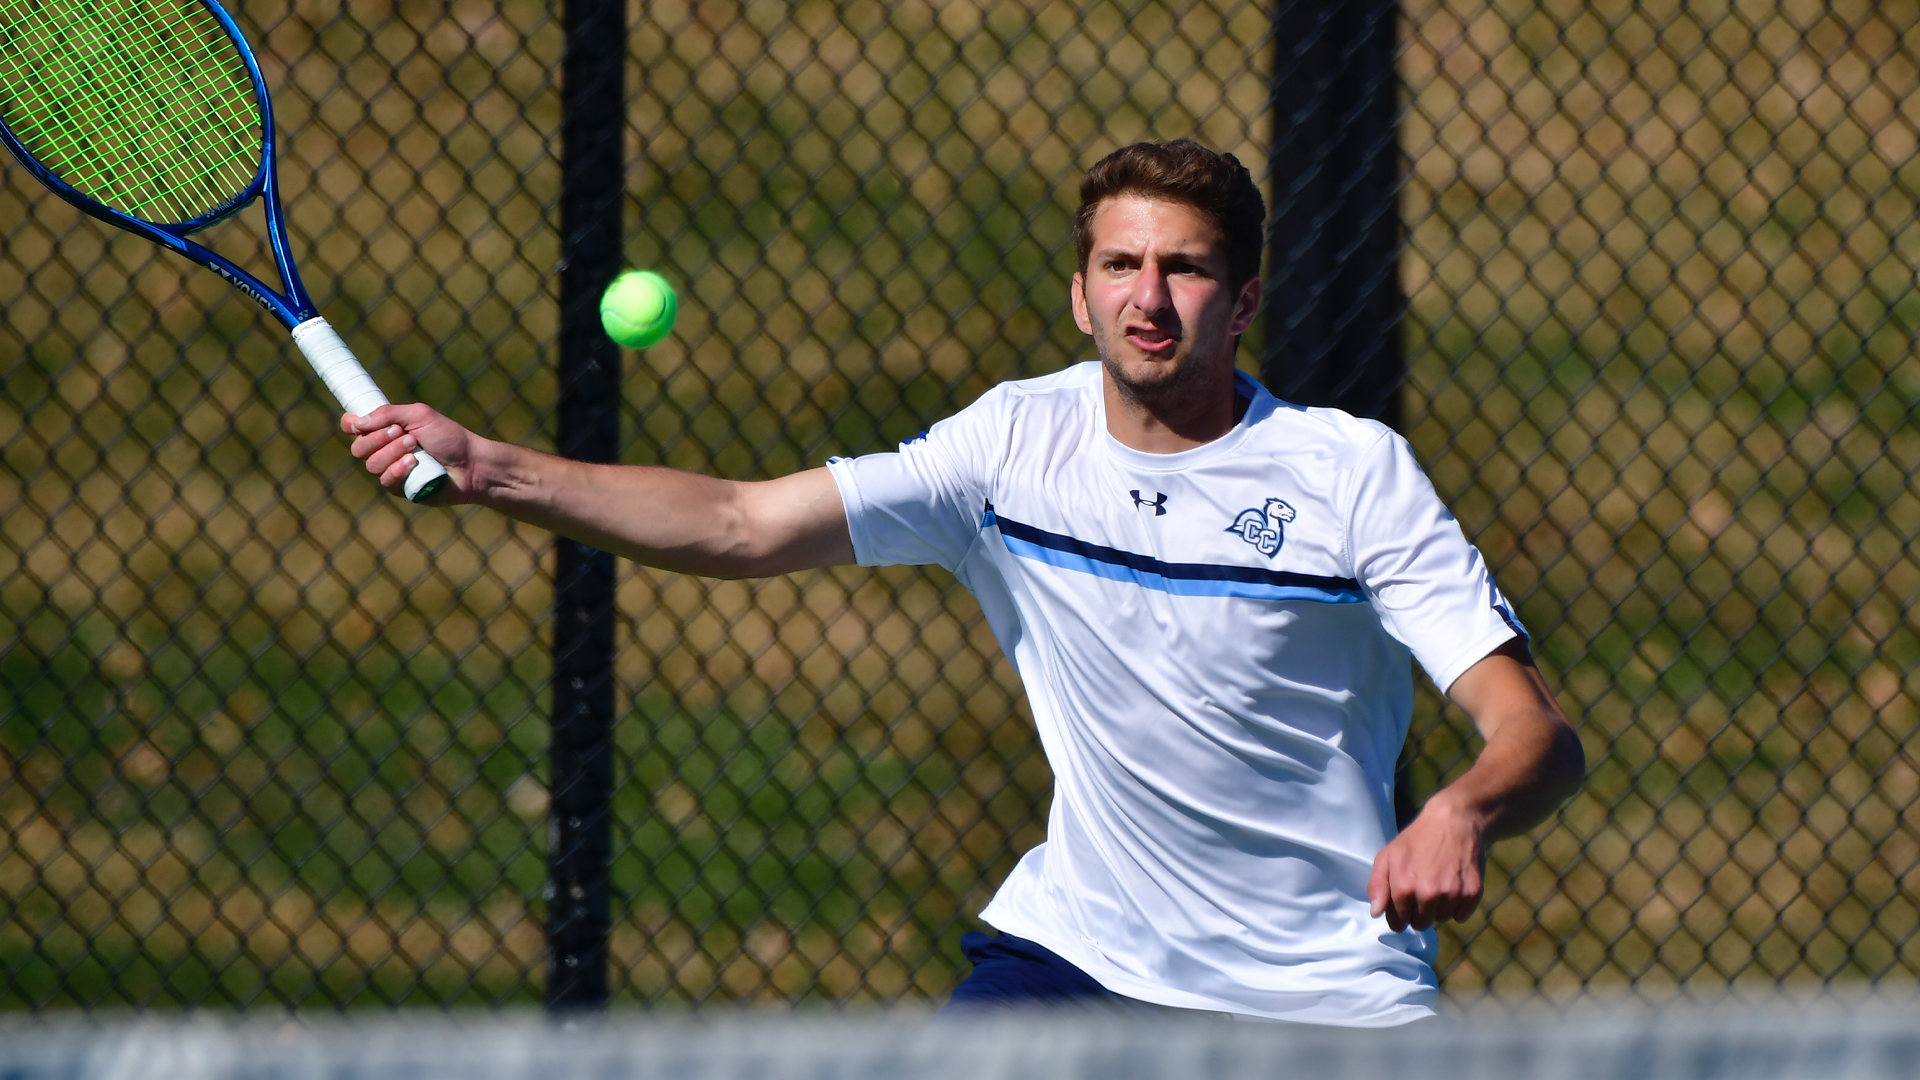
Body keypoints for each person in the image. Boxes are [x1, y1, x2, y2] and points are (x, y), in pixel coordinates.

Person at [342, 139, 1584, 1026]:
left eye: (1188, 270)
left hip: (1323, 999)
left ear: (1244, 298)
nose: (1149, 300)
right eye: (1121, 266)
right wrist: (490, 466)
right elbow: (738, 522)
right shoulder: (1010, 445)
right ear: (1081, 291)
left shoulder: (1350, 475)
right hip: (1079, 962)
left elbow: (1534, 731)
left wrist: (1463, 810)